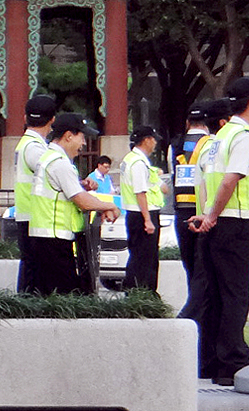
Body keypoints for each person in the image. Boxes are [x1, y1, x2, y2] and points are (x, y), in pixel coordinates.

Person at [188, 78, 249, 386]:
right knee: (236, 295)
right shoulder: (243, 138)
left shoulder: (217, 139)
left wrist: (205, 215)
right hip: (234, 223)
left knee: (215, 295)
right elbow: (229, 181)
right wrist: (211, 215)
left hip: (215, 224)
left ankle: (210, 361)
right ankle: (233, 362)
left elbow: (204, 182)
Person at [29, 112, 118, 295]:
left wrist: (83, 187)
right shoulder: (59, 163)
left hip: (45, 237)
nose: (83, 144)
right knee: (63, 296)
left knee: (48, 296)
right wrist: (109, 206)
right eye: (82, 137)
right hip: (54, 239)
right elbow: (81, 200)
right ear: (69, 136)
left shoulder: (49, 158)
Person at [11, 95, 56, 293]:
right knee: (35, 270)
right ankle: (29, 310)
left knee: (30, 266)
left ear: (24, 118)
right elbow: (54, 174)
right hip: (34, 214)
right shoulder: (34, 147)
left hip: (26, 212)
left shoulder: (26, 143)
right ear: (52, 119)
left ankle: (25, 307)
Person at [172, 106, 214, 292]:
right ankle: (199, 306)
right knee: (203, 265)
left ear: (187, 123)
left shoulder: (175, 145)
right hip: (202, 211)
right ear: (206, 124)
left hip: (181, 209)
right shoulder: (211, 143)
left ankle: (192, 301)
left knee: (189, 263)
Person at [119, 126, 164, 292]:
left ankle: (137, 291)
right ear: (146, 140)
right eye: (153, 140)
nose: (155, 144)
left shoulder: (130, 159)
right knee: (145, 258)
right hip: (142, 214)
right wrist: (148, 220)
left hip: (134, 214)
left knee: (139, 256)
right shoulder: (138, 163)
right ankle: (141, 293)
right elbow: (140, 192)